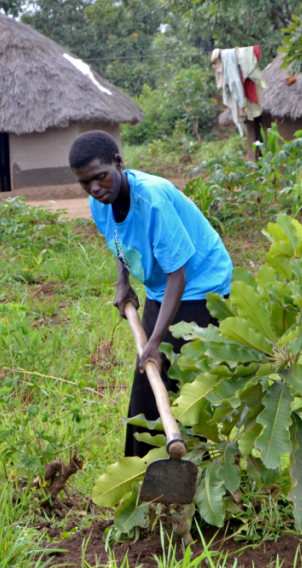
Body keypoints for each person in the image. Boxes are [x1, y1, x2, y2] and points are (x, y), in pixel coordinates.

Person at [69, 131, 232, 457]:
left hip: (201, 286)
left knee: (187, 384)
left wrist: (155, 341)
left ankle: (202, 472)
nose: (95, 188)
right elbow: (119, 240)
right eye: (85, 183)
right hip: (161, 289)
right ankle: (142, 473)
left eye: (100, 177)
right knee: (147, 380)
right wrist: (123, 284)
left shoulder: (152, 199)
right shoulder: (99, 201)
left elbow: (178, 276)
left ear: (118, 162)